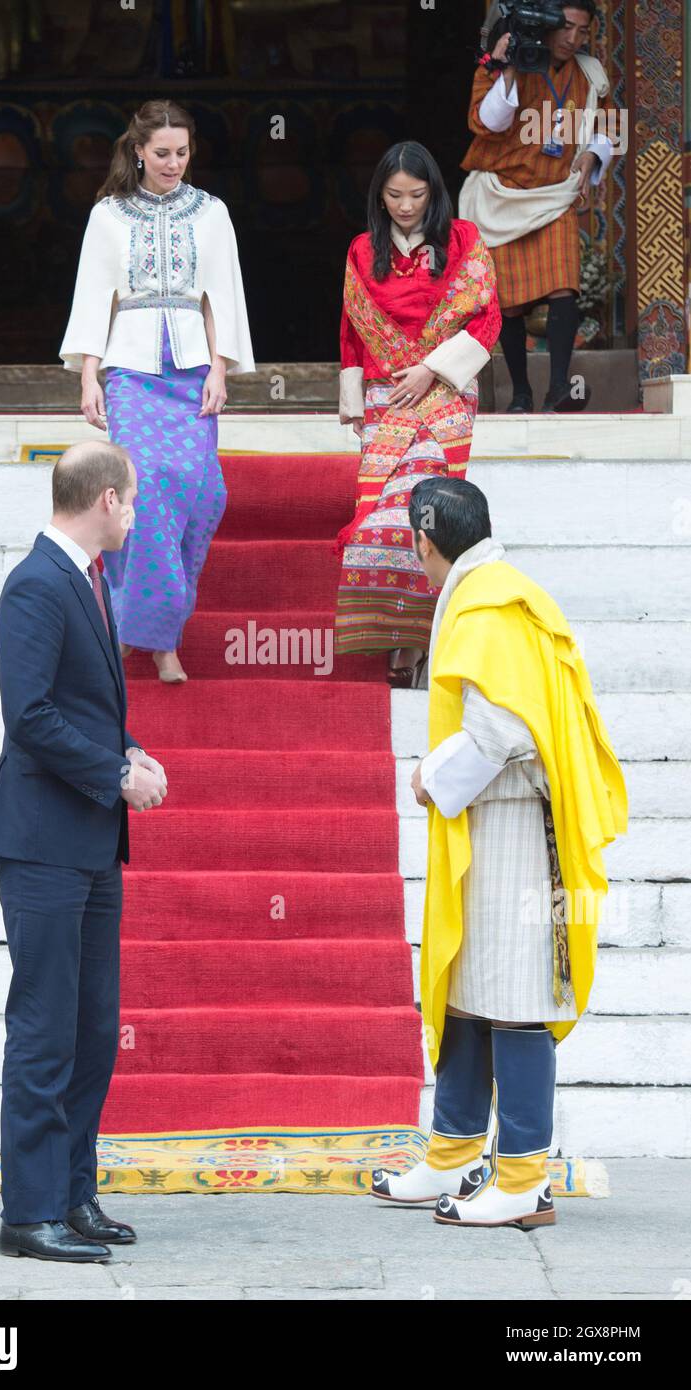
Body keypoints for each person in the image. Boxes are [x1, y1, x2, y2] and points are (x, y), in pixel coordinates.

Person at [371, 476, 627, 1228]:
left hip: (519, 829)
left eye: (413, 548)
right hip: (489, 824)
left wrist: (429, 777)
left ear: (424, 541)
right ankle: (452, 1152)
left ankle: (521, 1177)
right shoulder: (489, 590)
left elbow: (503, 733)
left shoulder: (489, 605)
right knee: (463, 986)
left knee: (515, 999)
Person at [0, 441, 169, 1263]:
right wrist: (115, 773)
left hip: (87, 836)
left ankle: (72, 1192)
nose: (135, 513)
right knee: (46, 1025)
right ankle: (29, 1213)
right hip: (43, 838)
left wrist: (133, 750)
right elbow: (31, 718)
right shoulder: (35, 584)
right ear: (105, 500)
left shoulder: (85, 580)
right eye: (130, 501)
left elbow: (85, 705)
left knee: (91, 1027)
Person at [60, 99, 255, 683]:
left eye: (183, 153)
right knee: (143, 498)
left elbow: (220, 296)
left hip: (193, 369)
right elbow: (96, 298)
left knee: (201, 499)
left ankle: (153, 625)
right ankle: (147, 636)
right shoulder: (109, 215)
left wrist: (219, 369)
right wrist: (89, 376)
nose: (174, 163)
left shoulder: (212, 212)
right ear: (139, 151)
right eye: (163, 153)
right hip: (131, 371)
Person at [334, 141, 502, 690]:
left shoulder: (463, 241)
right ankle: (405, 635)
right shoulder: (363, 249)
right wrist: (355, 399)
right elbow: (353, 328)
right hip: (386, 394)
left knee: (424, 506)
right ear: (379, 197)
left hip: (445, 388)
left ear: (434, 193)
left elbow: (485, 318)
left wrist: (431, 369)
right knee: (386, 516)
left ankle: (414, 641)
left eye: (417, 194)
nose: (406, 206)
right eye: (394, 195)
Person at [459, 2, 617, 413]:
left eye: (583, 32)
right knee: (508, 302)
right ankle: (522, 392)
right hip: (503, 195)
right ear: (547, 27)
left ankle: (560, 387)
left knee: (565, 288)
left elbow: (608, 126)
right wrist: (510, 68)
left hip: (554, 196)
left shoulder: (588, 76)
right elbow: (486, 123)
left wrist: (592, 156)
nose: (572, 39)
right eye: (566, 28)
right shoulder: (501, 65)